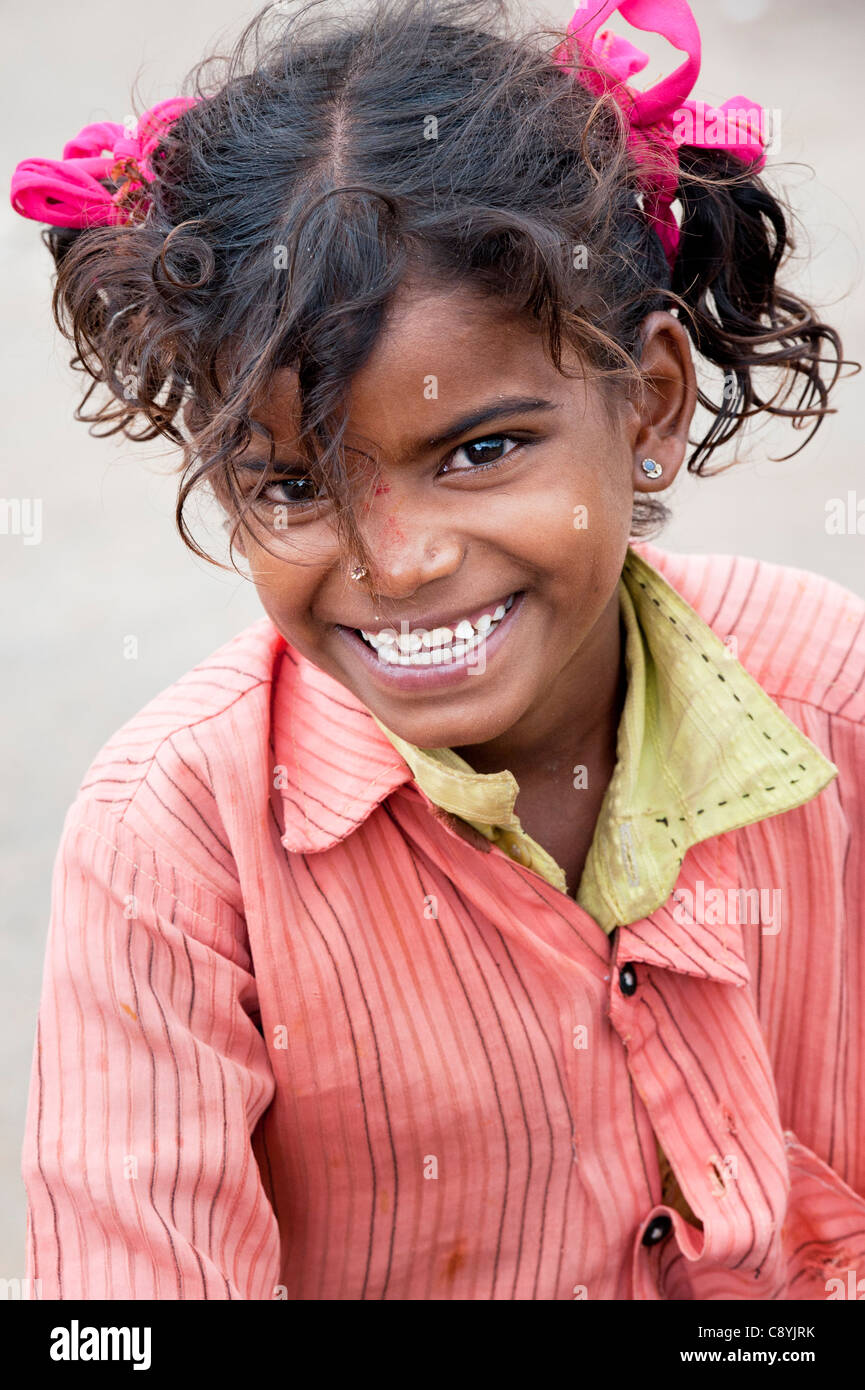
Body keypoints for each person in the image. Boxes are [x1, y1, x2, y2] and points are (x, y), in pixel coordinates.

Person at [10, 0, 864, 1300]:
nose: (395, 564)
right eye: (293, 484)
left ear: (650, 402)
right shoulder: (177, 847)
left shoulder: (835, 696)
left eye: (479, 450)